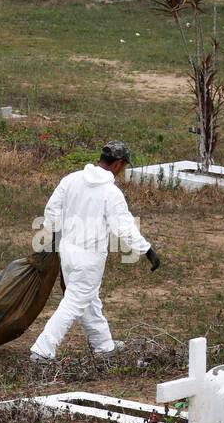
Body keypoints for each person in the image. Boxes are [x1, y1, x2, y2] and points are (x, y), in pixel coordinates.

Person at [29, 140, 159, 362]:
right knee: (74, 302)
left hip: (68, 252)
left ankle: (103, 344)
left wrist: (58, 235)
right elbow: (124, 227)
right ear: (118, 164)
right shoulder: (111, 193)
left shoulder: (71, 180)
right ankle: (42, 350)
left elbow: (51, 211)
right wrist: (147, 251)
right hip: (89, 258)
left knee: (88, 299)